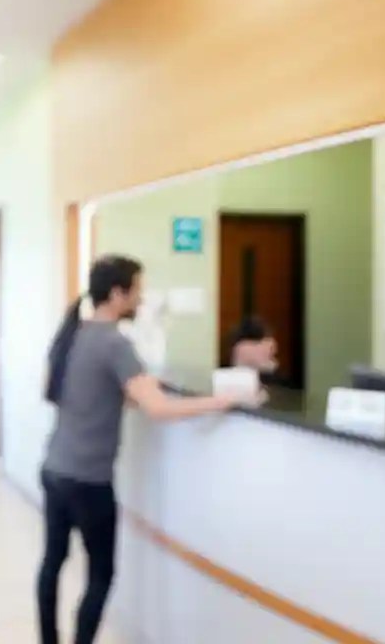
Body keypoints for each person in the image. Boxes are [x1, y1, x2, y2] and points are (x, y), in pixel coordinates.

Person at [37, 255, 252, 644]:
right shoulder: (116, 343)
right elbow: (160, 408)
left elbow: (67, 391)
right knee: (102, 573)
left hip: (54, 469)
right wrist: (222, 401)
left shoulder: (73, 334)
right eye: (138, 290)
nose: (141, 298)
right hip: (88, 480)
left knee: (53, 561)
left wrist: (122, 394)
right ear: (118, 294)